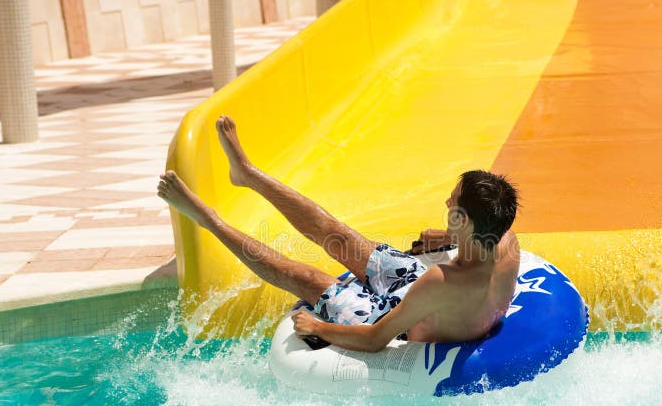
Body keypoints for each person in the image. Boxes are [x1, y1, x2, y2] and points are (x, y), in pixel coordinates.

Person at [157, 115, 520, 352]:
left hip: (402, 325)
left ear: (466, 221)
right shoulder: (506, 243)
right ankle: (247, 173)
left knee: (303, 276)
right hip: (425, 297)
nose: (445, 200)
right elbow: (471, 245)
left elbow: (378, 339)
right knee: (337, 235)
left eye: (452, 204)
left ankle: (209, 220)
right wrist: (446, 236)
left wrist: (318, 326)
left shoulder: (443, 281)